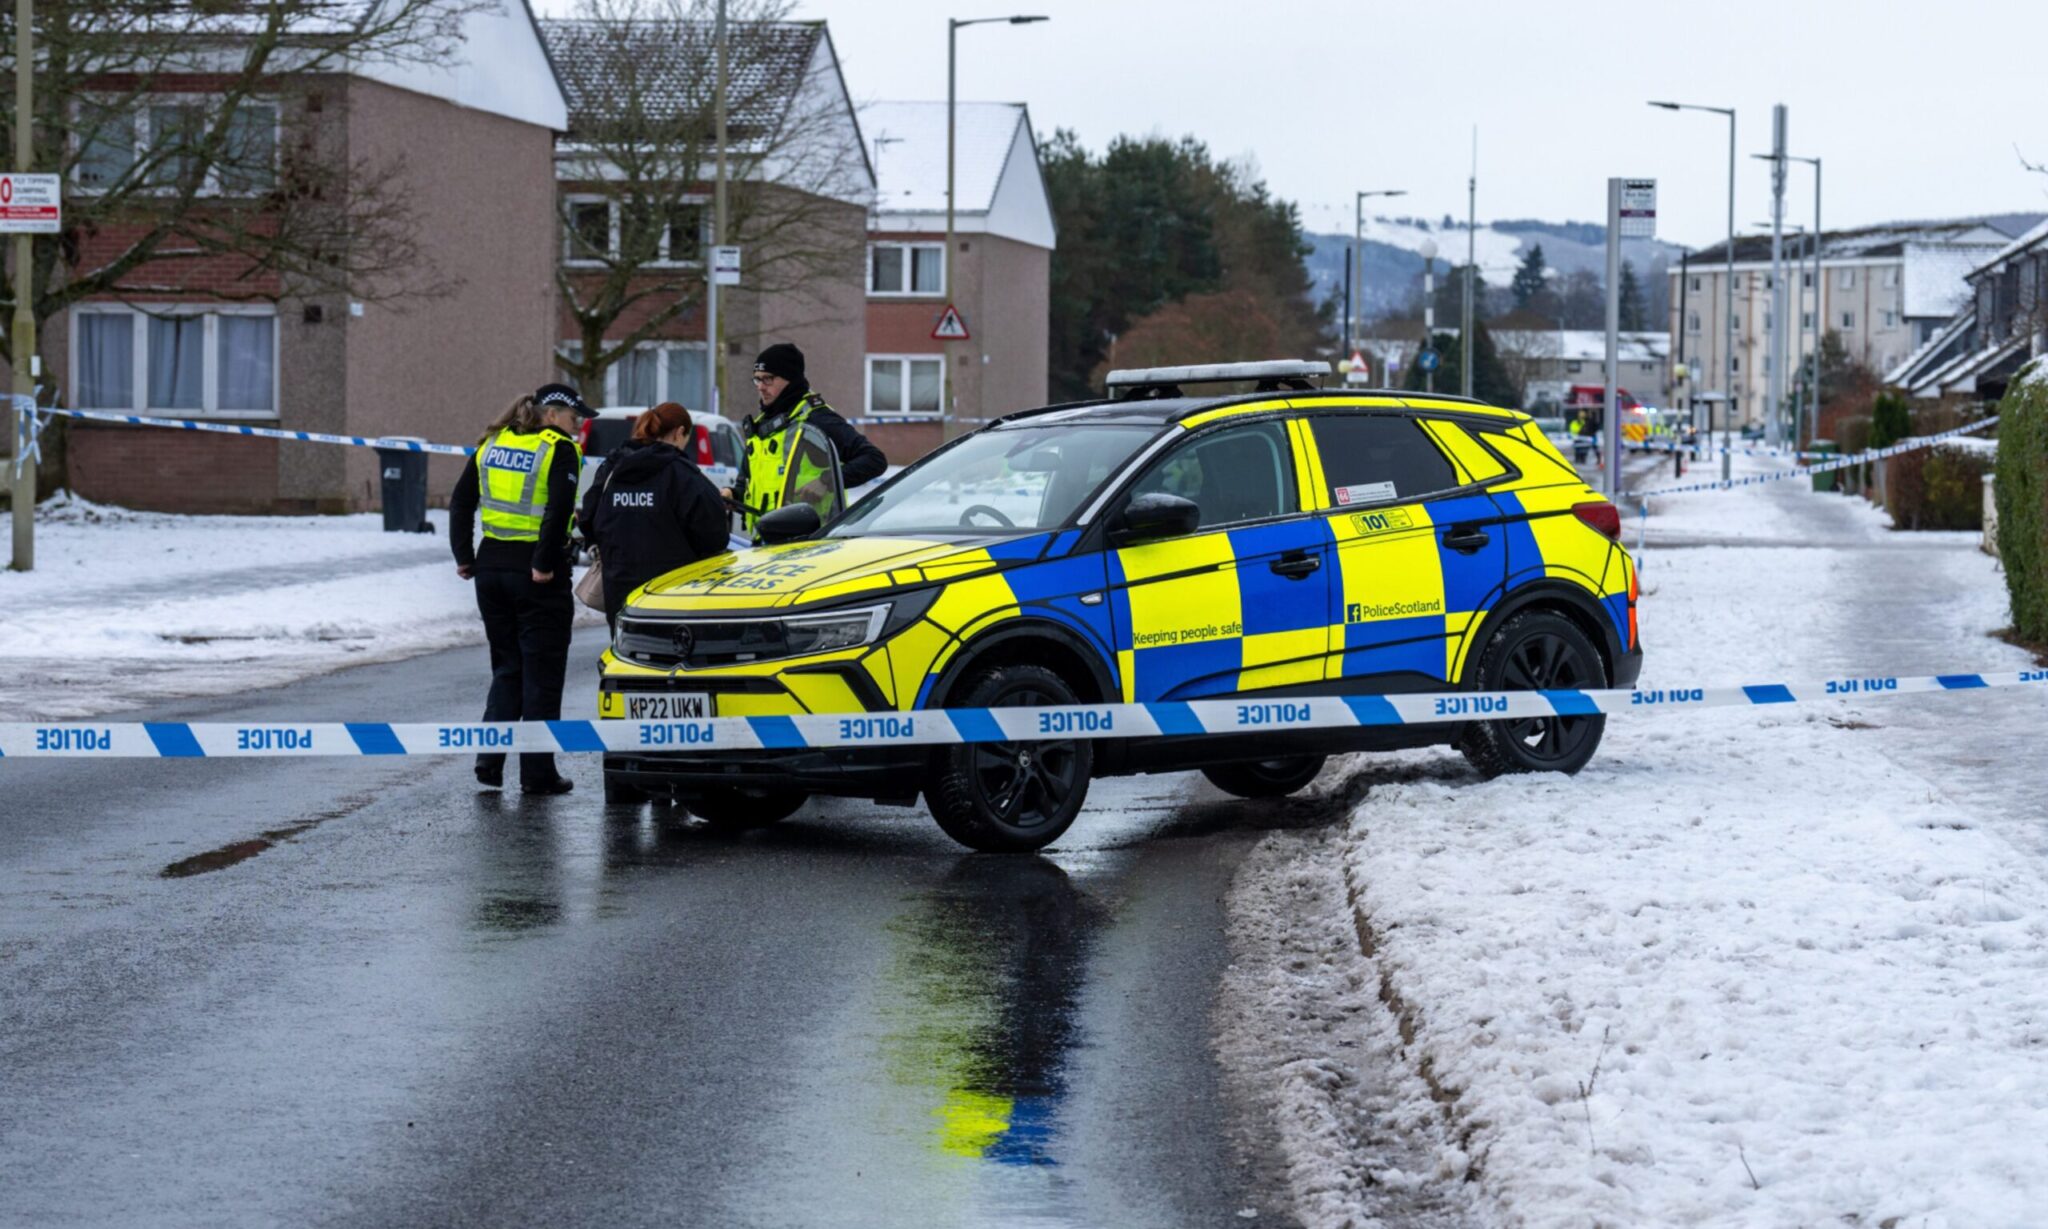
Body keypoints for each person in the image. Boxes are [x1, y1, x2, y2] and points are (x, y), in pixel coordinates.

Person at [449, 383, 595, 795]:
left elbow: (461, 502)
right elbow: (559, 510)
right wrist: (544, 564)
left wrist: (464, 555)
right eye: (573, 417)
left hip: (491, 569)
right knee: (543, 676)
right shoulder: (558, 448)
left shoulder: (492, 444)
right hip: (535, 576)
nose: (578, 425)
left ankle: (489, 762)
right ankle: (537, 773)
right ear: (551, 415)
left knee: (508, 667)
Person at [578, 401, 731, 632]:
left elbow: (588, 517)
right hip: (672, 593)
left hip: (618, 589)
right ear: (680, 433)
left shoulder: (612, 468)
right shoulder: (683, 475)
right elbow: (714, 535)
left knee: (624, 659)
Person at [729, 342, 886, 535]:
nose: (761, 387)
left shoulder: (816, 419)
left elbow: (874, 460)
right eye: (757, 380)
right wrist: (732, 495)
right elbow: (746, 484)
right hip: (767, 542)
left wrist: (826, 482)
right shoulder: (761, 426)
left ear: (790, 379)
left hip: (812, 543)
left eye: (768, 379)